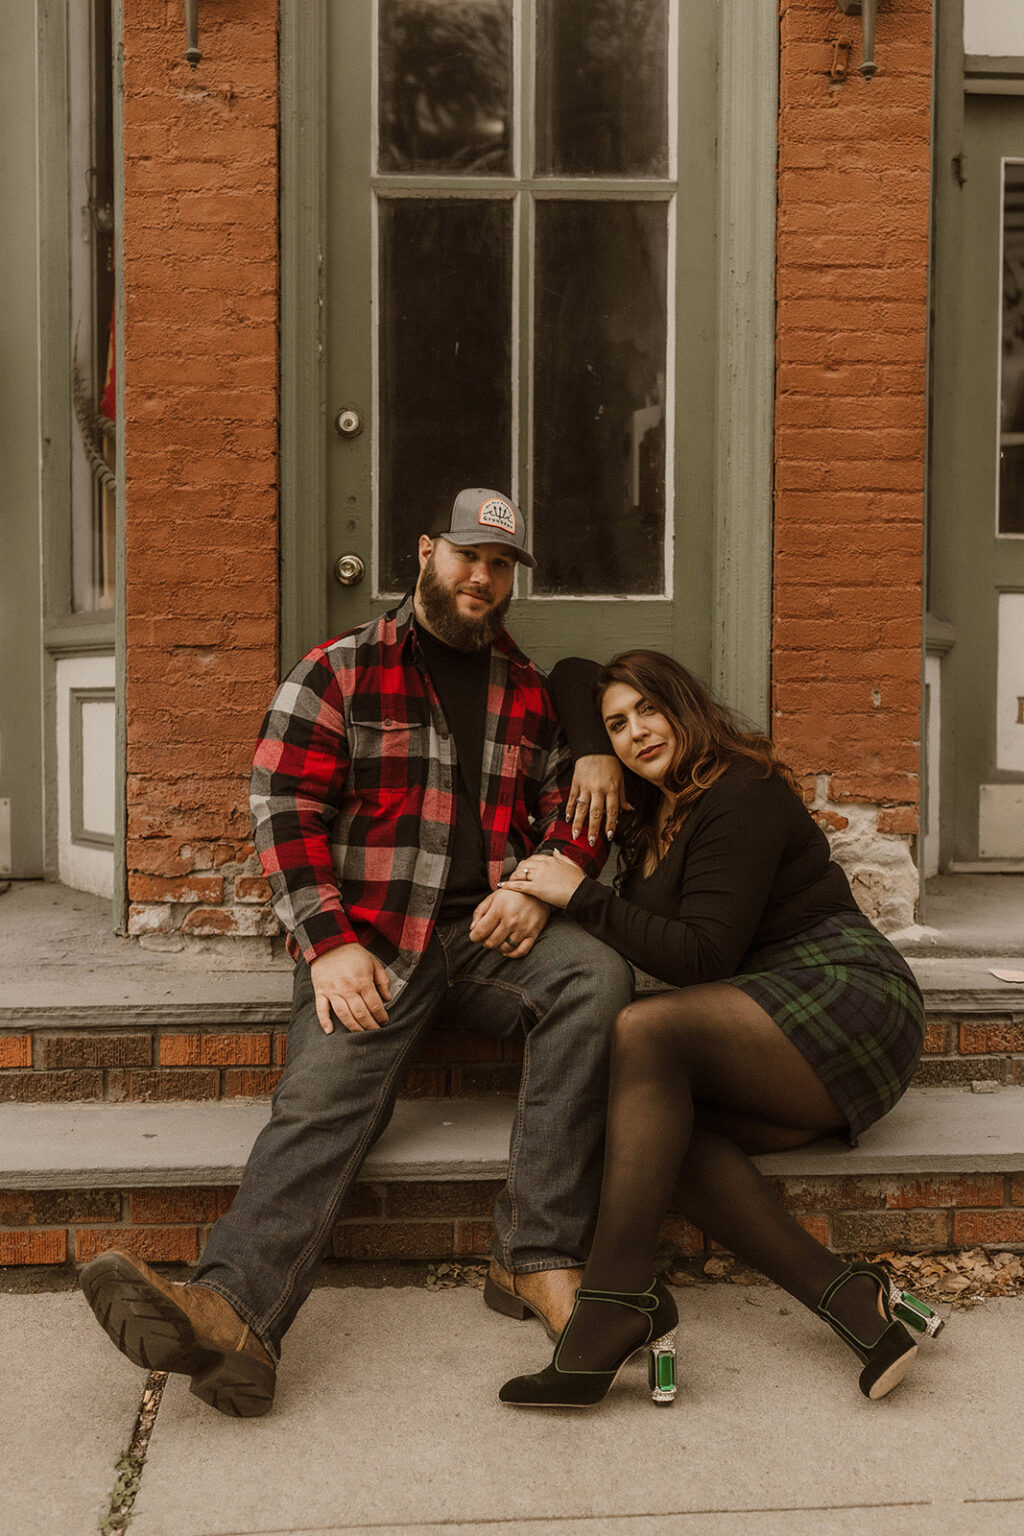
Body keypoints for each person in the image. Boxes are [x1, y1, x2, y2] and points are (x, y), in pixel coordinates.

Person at [79, 489, 633, 1418]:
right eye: (467, 557)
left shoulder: (531, 690)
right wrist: (328, 944)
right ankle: (234, 1315)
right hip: (371, 940)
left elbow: (572, 823)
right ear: (423, 552)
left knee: (599, 975)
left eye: (500, 566)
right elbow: (283, 810)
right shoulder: (339, 670)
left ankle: (533, 1255)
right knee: (322, 1098)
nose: (482, 579)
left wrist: (538, 885)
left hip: (490, 934)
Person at [495, 650, 942, 1410]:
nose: (636, 733)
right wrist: (594, 756)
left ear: (684, 705)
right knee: (652, 1130)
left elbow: (704, 955)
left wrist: (578, 894)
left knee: (647, 1031)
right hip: (766, 1022)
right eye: (616, 725)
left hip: (845, 992)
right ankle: (853, 1303)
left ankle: (609, 1308)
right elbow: (571, 670)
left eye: (648, 711)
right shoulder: (650, 813)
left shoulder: (743, 791)